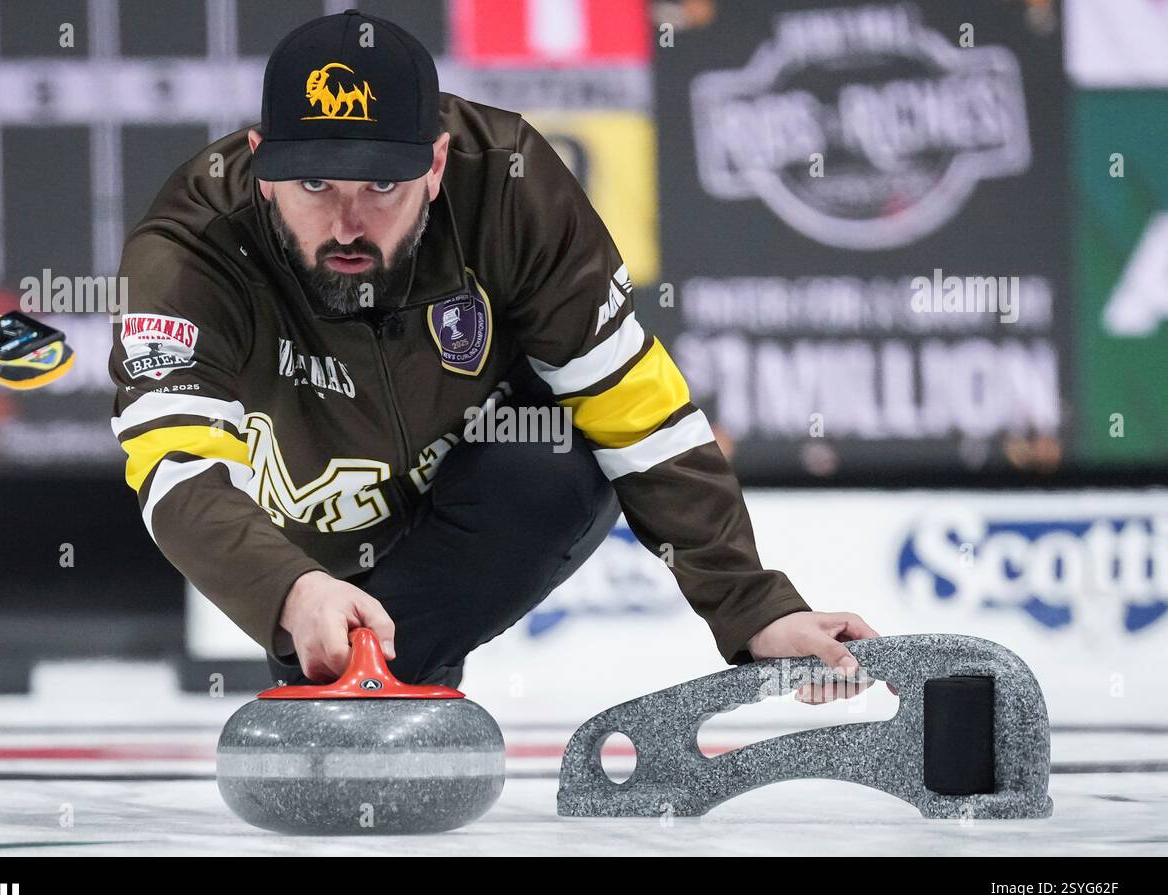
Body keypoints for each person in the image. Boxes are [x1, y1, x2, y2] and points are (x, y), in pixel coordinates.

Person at [109, 9, 882, 702]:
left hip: (482, 481)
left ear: (437, 164)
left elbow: (636, 411)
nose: (347, 222)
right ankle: (342, 656)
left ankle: (387, 672)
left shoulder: (511, 187)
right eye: (314, 181)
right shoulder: (188, 251)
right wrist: (289, 590)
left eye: (383, 182)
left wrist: (757, 610)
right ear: (262, 167)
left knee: (559, 449)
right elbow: (177, 469)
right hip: (301, 525)